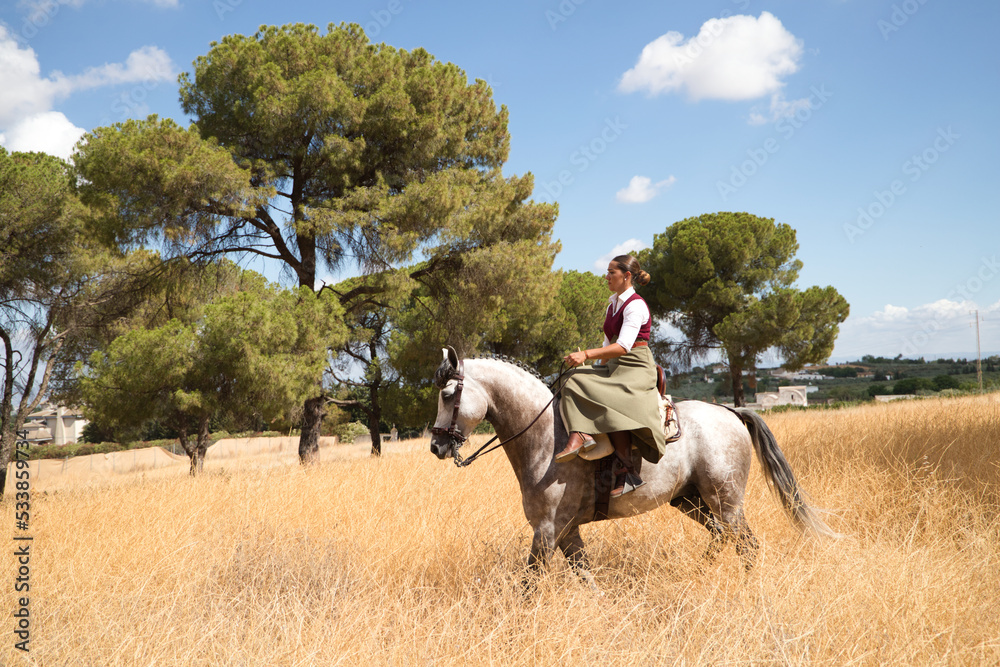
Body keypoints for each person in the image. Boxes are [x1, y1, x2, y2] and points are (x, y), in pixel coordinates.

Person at [555, 254, 666, 497]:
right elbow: (608, 343)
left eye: (611, 273)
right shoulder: (612, 303)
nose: (606, 277)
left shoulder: (635, 305)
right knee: (571, 379)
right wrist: (594, 369)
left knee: (609, 397)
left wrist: (586, 354)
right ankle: (582, 432)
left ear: (626, 276)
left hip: (635, 366)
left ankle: (629, 472)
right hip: (614, 366)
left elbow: (624, 346)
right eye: (607, 272)